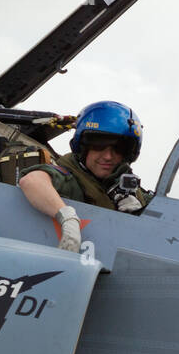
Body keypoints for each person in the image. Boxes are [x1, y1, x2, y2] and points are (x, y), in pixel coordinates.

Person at [19, 101, 151, 252]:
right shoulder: (71, 178)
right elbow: (32, 180)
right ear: (83, 147)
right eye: (99, 146)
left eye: (119, 148)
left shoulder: (131, 189)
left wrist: (142, 214)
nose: (108, 156)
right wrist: (68, 218)